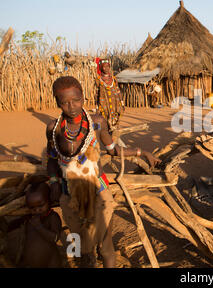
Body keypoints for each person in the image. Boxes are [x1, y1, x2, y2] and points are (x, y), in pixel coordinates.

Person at [46, 76, 160, 268]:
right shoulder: (54, 129)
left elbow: (113, 150)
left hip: (98, 193)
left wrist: (143, 152)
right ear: (57, 102)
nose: (71, 106)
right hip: (69, 195)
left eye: (76, 100)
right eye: (64, 102)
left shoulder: (97, 123)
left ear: (84, 98)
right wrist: (53, 182)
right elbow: (51, 159)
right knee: (87, 245)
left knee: (99, 246)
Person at [19, 182, 63, 267]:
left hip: (50, 262)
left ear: (49, 201)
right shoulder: (30, 218)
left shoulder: (52, 217)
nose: (37, 210)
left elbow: (55, 238)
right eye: (32, 208)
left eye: (41, 206)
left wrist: (39, 226)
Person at [95, 58, 124, 133]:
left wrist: (122, 102)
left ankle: (113, 135)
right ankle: (106, 136)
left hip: (115, 104)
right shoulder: (98, 80)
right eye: (104, 67)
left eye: (108, 66)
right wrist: (97, 106)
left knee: (115, 121)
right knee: (104, 121)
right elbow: (96, 94)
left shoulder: (113, 79)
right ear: (101, 68)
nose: (106, 69)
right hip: (104, 104)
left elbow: (118, 91)